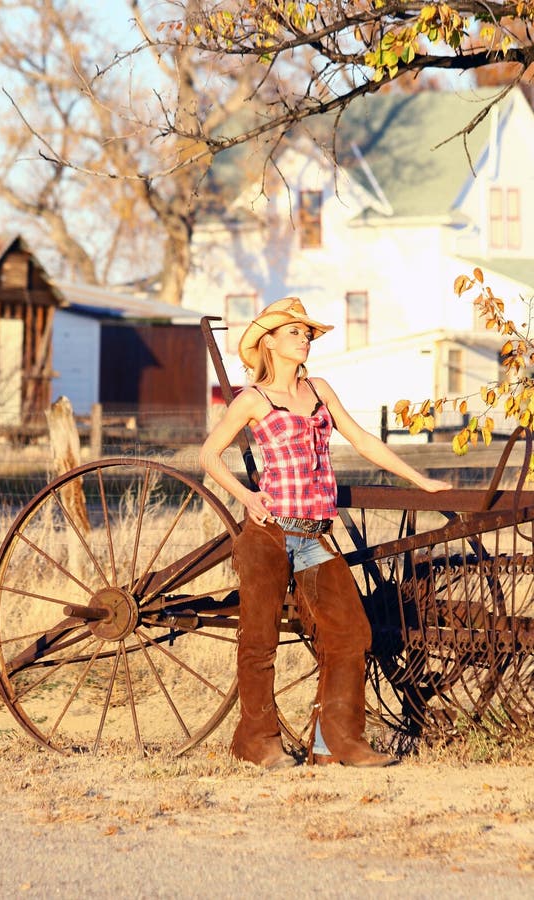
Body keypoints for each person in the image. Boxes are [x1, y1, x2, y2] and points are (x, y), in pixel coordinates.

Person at [199, 297, 452, 769]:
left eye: (309, 333)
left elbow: (363, 440)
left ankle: (334, 744)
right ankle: (256, 740)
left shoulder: (319, 389)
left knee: (349, 634)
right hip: (270, 533)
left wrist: (420, 480)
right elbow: (209, 455)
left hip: (314, 536)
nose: (306, 338)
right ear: (269, 341)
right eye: (296, 332)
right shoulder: (253, 399)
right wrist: (247, 496)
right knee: (260, 638)